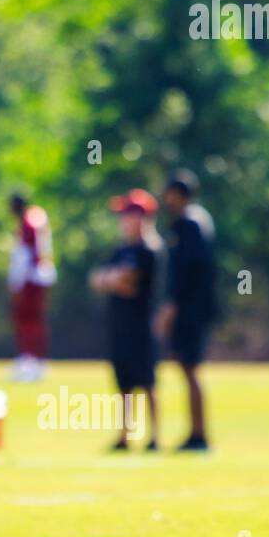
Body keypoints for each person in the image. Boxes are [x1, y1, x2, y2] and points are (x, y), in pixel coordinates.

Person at [89, 189, 162, 451]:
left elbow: (127, 282)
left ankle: (154, 437)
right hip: (120, 327)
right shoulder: (121, 250)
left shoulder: (149, 250)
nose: (123, 221)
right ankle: (125, 435)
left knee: (148, 382)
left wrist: (111, 280)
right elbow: (97, 280)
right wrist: (111, 280)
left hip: (141, 327)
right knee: (124, 385)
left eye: (127, 216)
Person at [156, 170, 217, 451]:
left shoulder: (188, 224)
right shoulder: (199, 220)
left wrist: (171, 306)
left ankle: (199, 434)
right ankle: (196, 432)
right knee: (188, 368)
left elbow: (186, 272)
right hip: (196, 308)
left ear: (178, 194)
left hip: (190, 310)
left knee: (190, 368)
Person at [7, 192, 56, 381]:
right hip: (40, 277)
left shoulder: (28, 222)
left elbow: (26, 256)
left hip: (31, 279)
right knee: (35, 321)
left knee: (28, 321)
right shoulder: (37, 216)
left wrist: (16, 283)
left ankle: (30, 361)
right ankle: (35, 361)